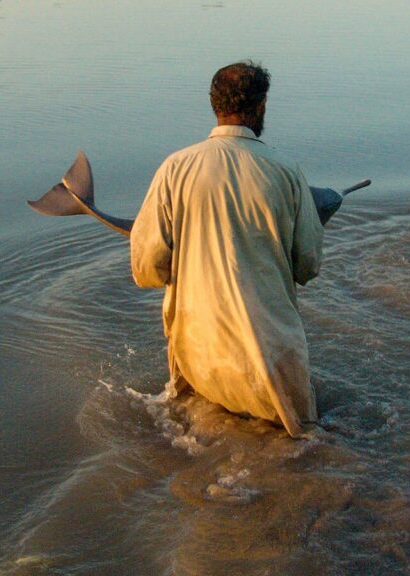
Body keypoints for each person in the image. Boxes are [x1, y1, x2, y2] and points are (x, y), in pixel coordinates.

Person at [130, 61, 324, 437]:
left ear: (213, 105)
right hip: (269, 356)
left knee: (195, 438)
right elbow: (308, 265)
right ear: (261, 106)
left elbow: (148, 268)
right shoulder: (287, 171)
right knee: (302, 447)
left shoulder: (175, 168)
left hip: (198, 351)